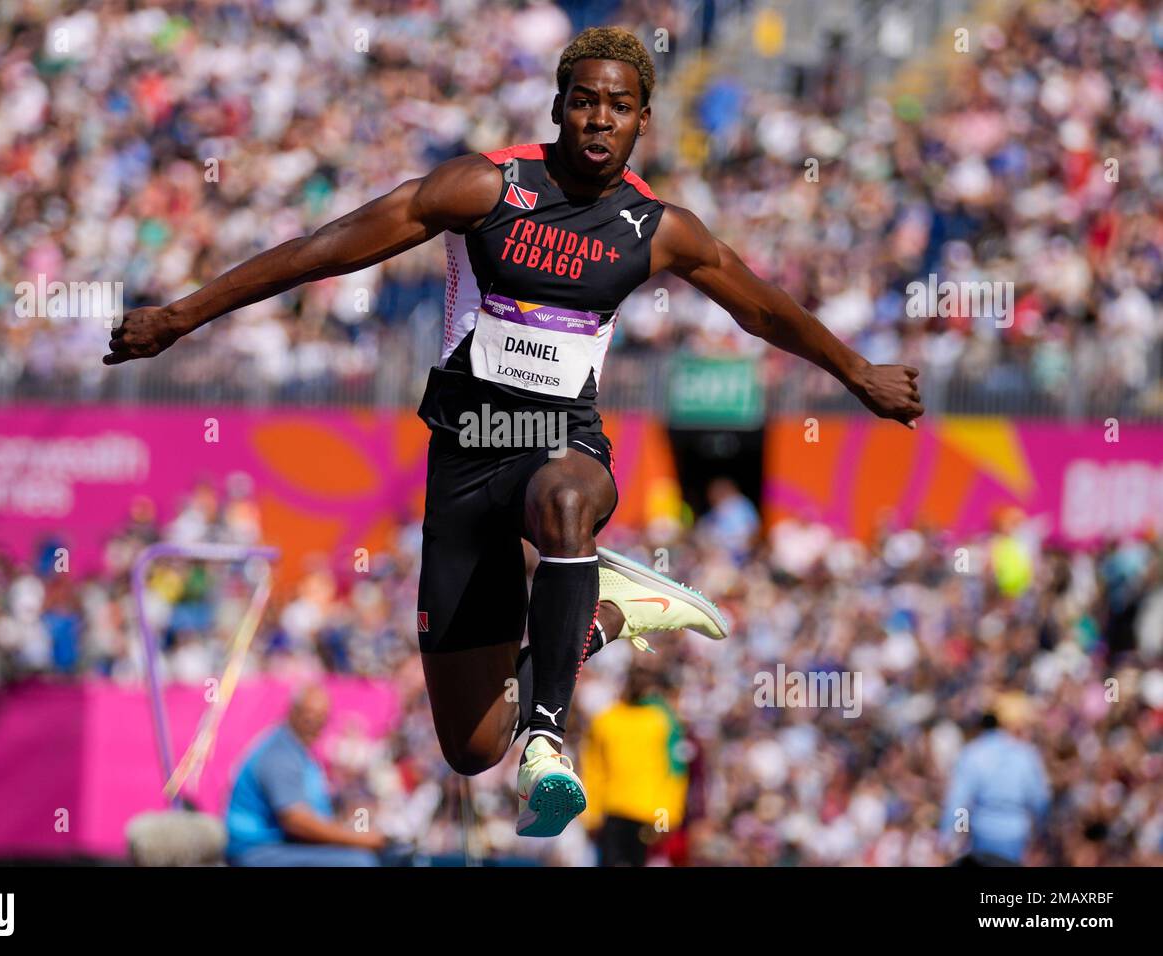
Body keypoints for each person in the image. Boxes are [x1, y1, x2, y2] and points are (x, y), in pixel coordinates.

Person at [105, 27, 923, 838]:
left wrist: (859, 373)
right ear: (560, 107)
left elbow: (763, 307)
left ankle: (549, 741)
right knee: (470, 748)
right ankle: (605, 614)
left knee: (569, 504)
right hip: (464, 460)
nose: (600, 119)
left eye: (621, 106)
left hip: (559, 440)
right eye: (585, 101)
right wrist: (182, 317)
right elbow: (326, 251)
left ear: (644, 121)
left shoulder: (657, 228)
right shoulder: (485, 188)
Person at [224, 683, 388, 866]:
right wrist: (360, 840)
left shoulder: (298, 751)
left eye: (321, 718)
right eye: (308, 715)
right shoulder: (279, 754)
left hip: (282, 845)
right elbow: (295, 821)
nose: (314, 723)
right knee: (359, 861)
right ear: (292, 712)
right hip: (257, 850)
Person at [580, 661, 689, 866]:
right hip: (616, 811)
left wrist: (667, 817)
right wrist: (590, 813)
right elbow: (592, 768)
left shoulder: (662, 722)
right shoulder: (607, 720)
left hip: (644, 813)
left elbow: (674, 772)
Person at [939, 707, 1051, 865]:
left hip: (983, 835)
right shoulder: (1024, 753)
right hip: (1016, 834)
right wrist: (1040, 832)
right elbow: (1040, 800)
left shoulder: (972, 753)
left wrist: (954, 836)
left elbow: (959, 803)